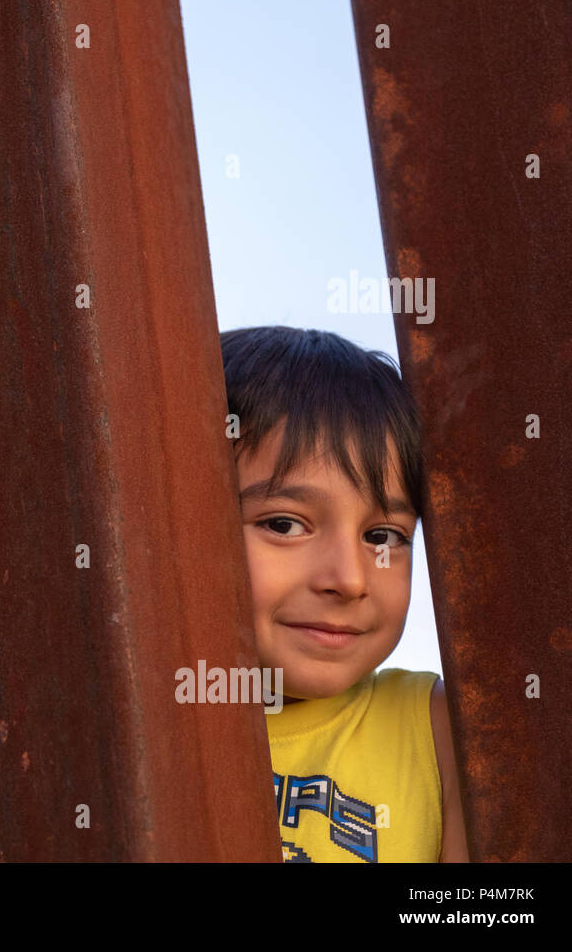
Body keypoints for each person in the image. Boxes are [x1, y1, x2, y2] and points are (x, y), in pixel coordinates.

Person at [221, 326, 467, 862]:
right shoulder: (131, 714)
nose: (350, 579)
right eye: (285, 525)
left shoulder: (438, 732)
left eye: (383, 537)